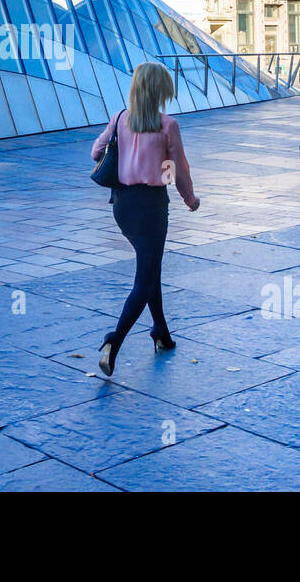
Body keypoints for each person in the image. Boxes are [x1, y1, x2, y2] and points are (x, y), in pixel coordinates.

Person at [90, 61, 200, 377]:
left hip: (122, 206)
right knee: (145, 278)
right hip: (152, 207)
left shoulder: (120, 119)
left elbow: (96, 152)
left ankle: (161, 332)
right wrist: (190, 199)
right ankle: (115, 341)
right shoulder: (168, 126)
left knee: (150, 268)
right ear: (159, 90)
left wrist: (127, 153)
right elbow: (176, 169)